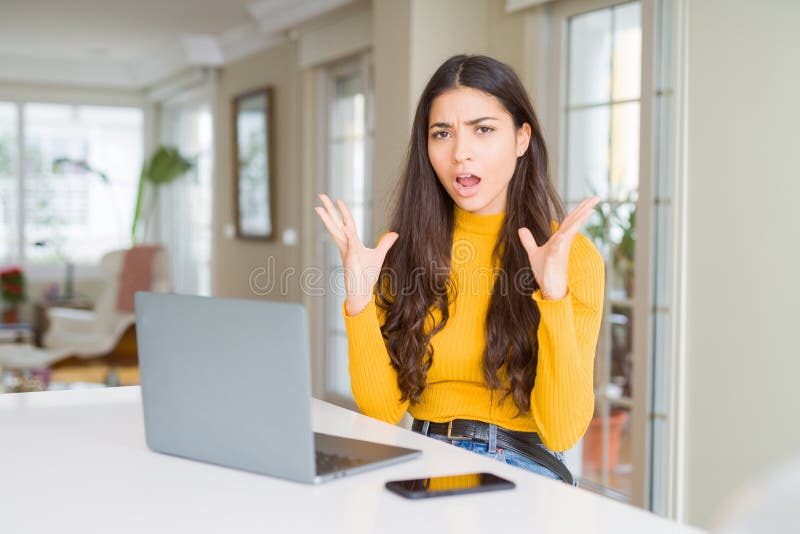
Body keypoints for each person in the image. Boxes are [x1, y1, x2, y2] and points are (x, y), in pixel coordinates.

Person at [315, 54, 604, 485]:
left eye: (483, 129)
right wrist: (359, 298)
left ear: (521, 138)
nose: (460, 154)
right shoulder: (405, 252)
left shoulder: (569, 255)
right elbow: (382, 413)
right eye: (442, 134)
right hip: (419, 456)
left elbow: (562, 429)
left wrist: (554, 297)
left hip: (515, 463)